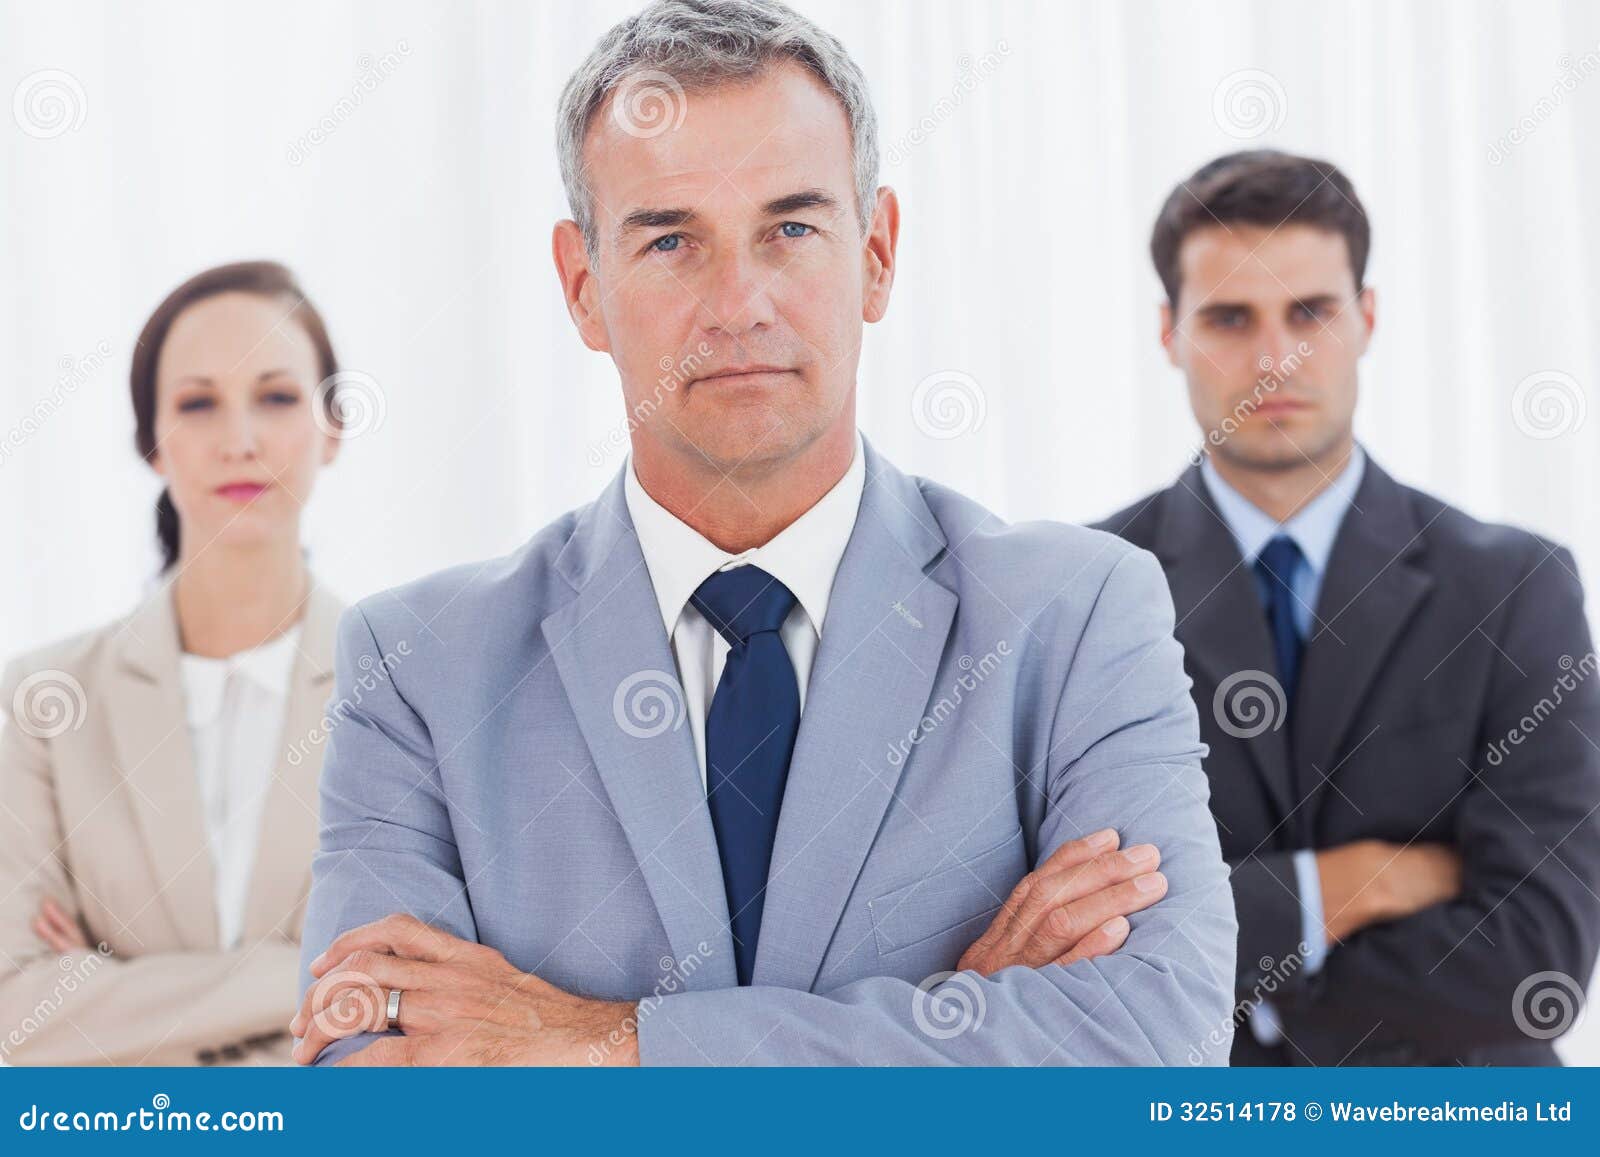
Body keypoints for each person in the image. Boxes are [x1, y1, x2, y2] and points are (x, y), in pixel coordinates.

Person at [290, 0, 1235, 1067]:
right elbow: (373, 1083)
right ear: (582, 286)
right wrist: (948, 1023)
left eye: (790, 229)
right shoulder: (419, 667)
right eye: (670, 239)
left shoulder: (1073, 616)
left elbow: (1157, 1038)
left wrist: (604, 1043)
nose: (738, 302)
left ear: (875, 254)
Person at [1098, 150, 1600, 1064]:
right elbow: (1073, 932)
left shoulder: (1515, 588)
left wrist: (1260, 986)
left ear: (1366, 318)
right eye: (1229, 318)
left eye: (1311, 313)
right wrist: (1347, 885)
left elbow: (1542, 961)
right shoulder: (1084, 587)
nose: (1272, 358)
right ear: (1169, 332)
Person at [0, 261, 347, 1065]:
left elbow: (432, 1013)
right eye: (198, 403)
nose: (240, 440)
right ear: (151, 444)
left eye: (277, 396)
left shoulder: (415, 689)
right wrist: (321, 972)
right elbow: (19, 1013)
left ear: (333, 428)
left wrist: (117, 988)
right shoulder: (39, 702)